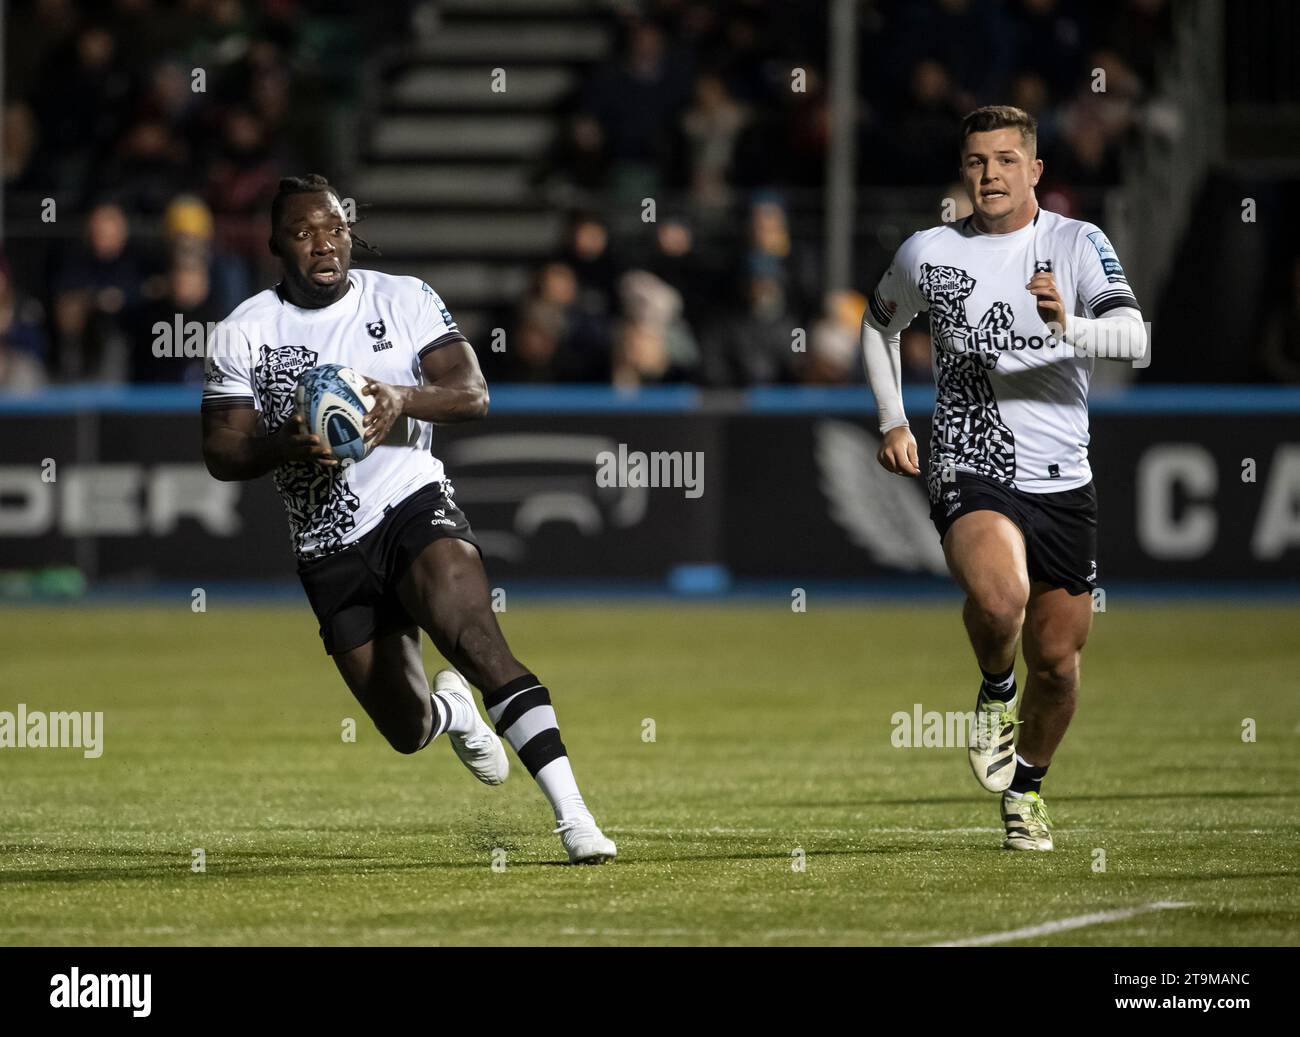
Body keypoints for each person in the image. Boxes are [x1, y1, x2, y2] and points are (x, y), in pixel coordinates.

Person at [199, 175, 616, 864]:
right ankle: (452, 712)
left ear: (349, 234)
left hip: (411, 503)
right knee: (406, 728)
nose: (323, 244)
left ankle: (575, 819)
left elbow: (472, 393)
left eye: (334, 228)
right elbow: (222, 450)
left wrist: (399, 398)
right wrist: (290, 441)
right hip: (328, 544)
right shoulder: (244, 329)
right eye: (302, 233)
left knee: (478, 642)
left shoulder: (404, 297)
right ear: (275, 244)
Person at [860, 107, 1146, 850]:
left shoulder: (1077, 243)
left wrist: (1069, 326)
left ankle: (1027, 789)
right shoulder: (929, 251)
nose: (990, 175)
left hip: (1063, 474)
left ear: (1035, 169)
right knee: (999, 597)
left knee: (1058, 663)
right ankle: (995, 688)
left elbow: (1135, 339)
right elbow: (879, 322)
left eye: (1006, 160)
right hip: (968, 457)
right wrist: (893, 420)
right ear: (963, 170)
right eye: (977, 161)